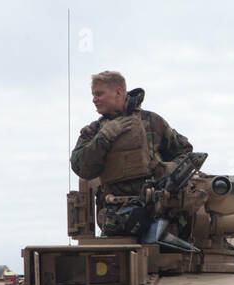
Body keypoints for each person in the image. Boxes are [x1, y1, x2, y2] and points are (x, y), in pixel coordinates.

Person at [69, 71, 193, 236]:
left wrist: (172, 169)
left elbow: (185, 151)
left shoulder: (152, 122)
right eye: (93, 95)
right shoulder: (93, 131)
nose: (94, 99)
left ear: (118, 92)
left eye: (99, 94)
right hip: (117, 222)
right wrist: (103, 137)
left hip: (161, 220)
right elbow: (81, 167)